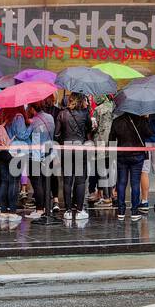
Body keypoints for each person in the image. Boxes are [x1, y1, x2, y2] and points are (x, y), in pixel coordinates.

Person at [56, 92, 93, 222]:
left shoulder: (61, 114)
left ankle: (67, 210)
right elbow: (89, 130)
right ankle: (79, 210)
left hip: (66, 149)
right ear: (79, 101)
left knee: (67, 181)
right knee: (80, 180)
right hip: (80, 149)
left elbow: (56, 134)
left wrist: (63, 141)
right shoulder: (85, 114)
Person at [110, 109, 147, 221]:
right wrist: (146, 119)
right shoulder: (141, 119)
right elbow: (149, 133)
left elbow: (111, 139)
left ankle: (121, 211)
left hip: (122, 155)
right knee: (135, 183)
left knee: (121, 182)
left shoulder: (117, 121)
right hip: (137, 156)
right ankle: (134, 211)